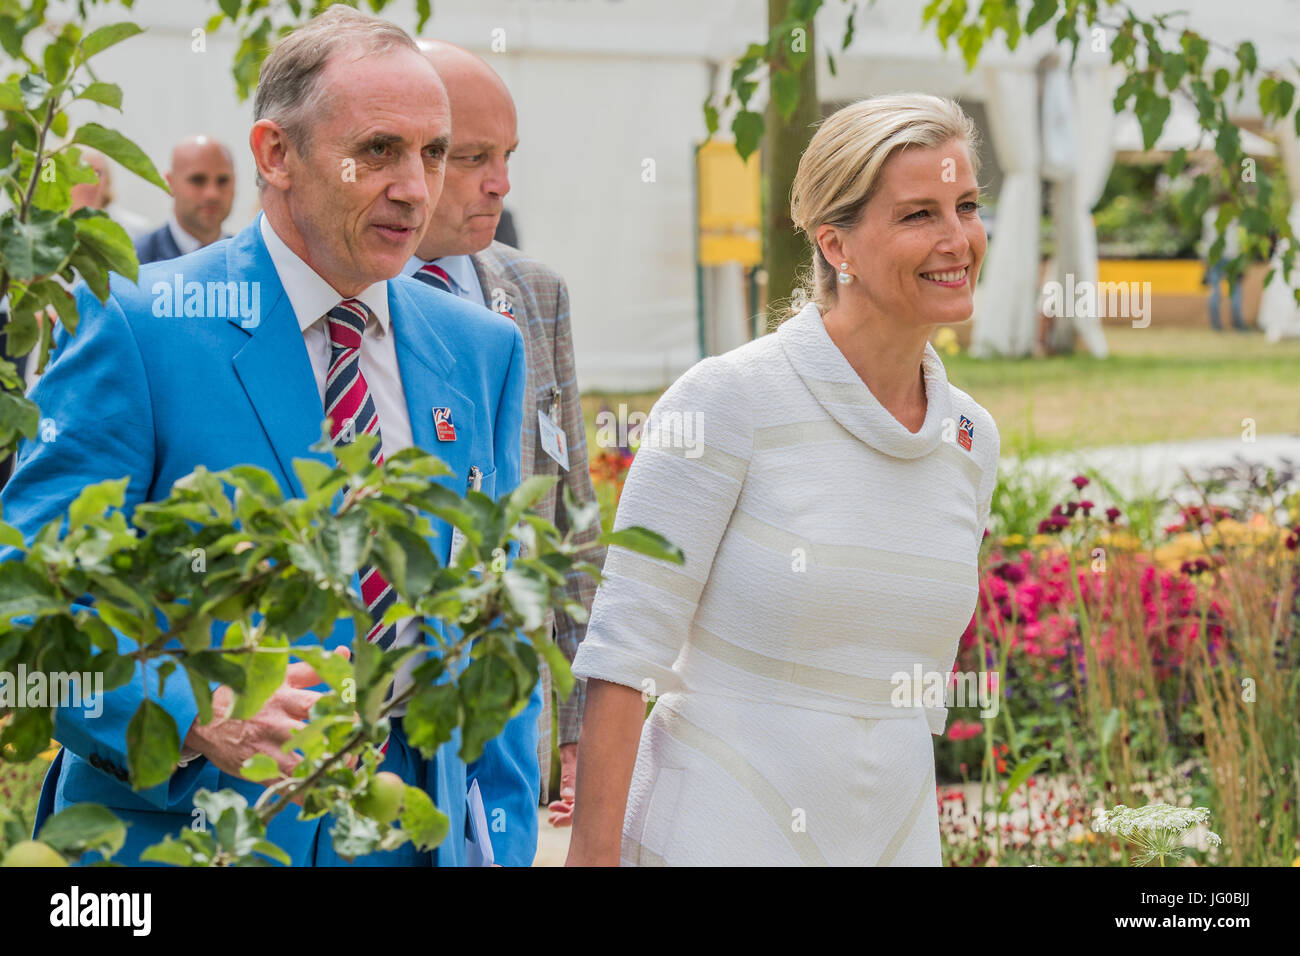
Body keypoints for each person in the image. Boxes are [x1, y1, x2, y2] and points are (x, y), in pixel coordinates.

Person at [2, 5, 540, 867]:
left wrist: (502, 848)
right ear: (274, 155)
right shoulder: (141, 325)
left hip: (406, 839)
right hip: (182, 836)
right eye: (378, 150)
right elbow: (21, 607)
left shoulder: (482, 350)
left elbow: (493, 634)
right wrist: (191, 711)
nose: (415, 185)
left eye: (433, 152)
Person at [565, 93, 1001, 866]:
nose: (957, 239)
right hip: (715, 831)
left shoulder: (969, 439)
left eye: (964, 205)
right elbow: (622, 654)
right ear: (837, 246)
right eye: (917, 215)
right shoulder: (728, 400)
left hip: (895, 839)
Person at [407, 40, 603, 826]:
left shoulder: (534, 293)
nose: (502, 182)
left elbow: (572, 521)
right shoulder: (340, 306)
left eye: (509, 155)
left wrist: (584, 728)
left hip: (505, 714)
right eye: (475, 156)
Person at [135, 135, 237, 264]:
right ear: (170, 184)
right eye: (198, 180)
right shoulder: (136, 264)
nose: (212, 194)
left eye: (222, 181)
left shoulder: (253, 261)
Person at [1201, 204, 1247, 332]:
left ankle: (1216, 324)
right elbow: (1240, 237)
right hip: (1232, 255)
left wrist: (1204, 259)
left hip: (1215, 256)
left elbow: (1205, 238)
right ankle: (1238, 323)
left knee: (1215, 291)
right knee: (1235, 291)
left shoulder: (1209, 214)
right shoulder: (1235, 214)